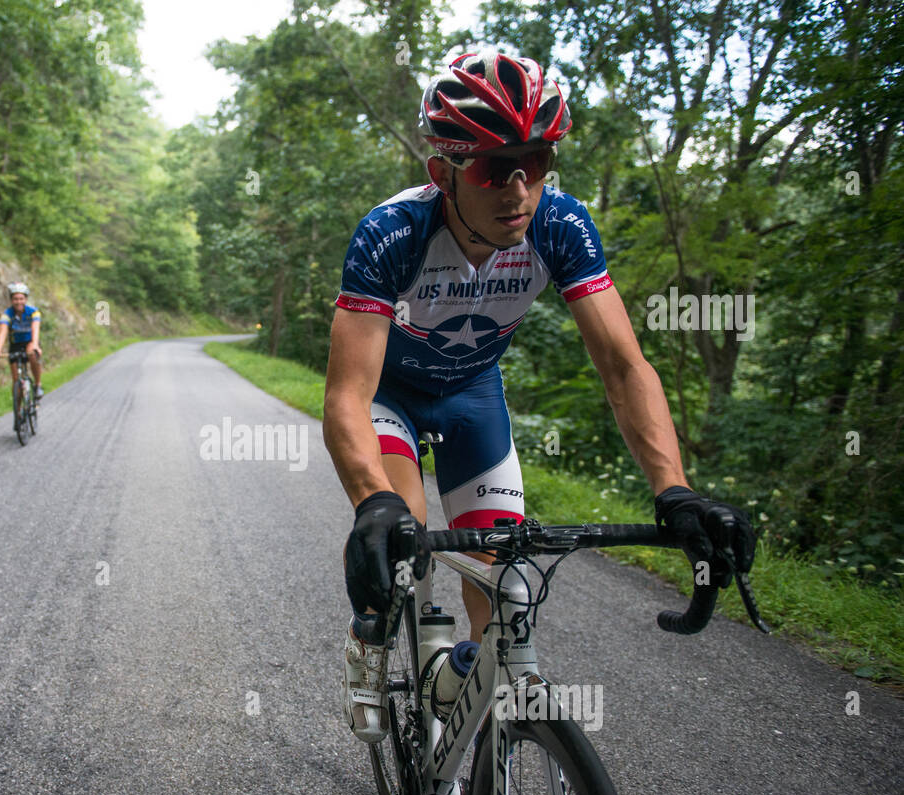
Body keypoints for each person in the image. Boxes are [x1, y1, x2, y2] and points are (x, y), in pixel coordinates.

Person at [323, 51, 757, 745]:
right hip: (391, 398)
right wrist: (370, 503)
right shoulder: (392, 233)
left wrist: (673, 489)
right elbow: (348, 392)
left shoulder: (562, 226)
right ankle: (369, 632)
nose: (519, 188)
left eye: (538, 161)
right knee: (403, 537)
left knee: (507, 588)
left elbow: (623, 366)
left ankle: (493, 783)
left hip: (472, 397)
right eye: (497, 168)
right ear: (445, 172)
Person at [0, 282, 44, 399]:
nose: (18, 302)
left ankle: (37, 384)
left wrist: (36, 345)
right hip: (15, 345)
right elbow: (3, 332)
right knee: (16, 380)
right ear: (11, 300)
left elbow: (35, 329)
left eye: (21, 298)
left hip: (30, 342)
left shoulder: (33, 312)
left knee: (33, 355)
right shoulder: (7, 314)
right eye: (15, 299)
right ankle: (18, 412)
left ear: (26, 299)